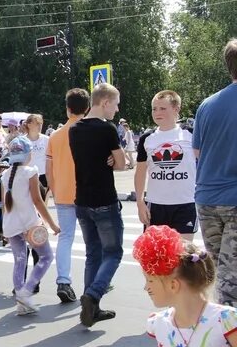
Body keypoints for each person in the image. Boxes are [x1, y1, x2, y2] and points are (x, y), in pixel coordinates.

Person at [69, 83, 126, 327]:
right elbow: (122, 164)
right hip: (104, 200)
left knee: (93, 253)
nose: (116, 108)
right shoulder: (107, 129)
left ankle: (91, 310)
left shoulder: (75, 129)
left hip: (82, 201)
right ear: (104, 102)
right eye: (115, 103)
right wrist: (114, 158)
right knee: (113, 253)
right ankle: (93, 296)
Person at [193, 39, 237, 306]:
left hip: (207, 198)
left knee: (223, 273)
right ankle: (228, 338)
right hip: (234, 201)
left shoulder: (207, 105)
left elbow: (197, 152)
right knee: (232, 278)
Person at [2, 137, 59, 315]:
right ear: (28, 154)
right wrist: (52, 224)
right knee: (46, 257)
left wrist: (5, 229)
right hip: (29, 223)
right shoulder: (30, 171)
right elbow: (38, 201)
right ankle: (26, 292)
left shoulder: (5, 175)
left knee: (19, 261)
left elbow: (4, 204)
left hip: (11, 224)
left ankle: (21, 301)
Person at [46, 88, 90, 304]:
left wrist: (55, 191)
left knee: (65, 238)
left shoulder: (55, 136)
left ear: (67, 108)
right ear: (88, 108)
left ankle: (63, 281)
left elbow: (48, 169)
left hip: (63, 194)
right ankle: (97, 281)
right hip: (88, 193)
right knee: (94, 239)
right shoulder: (90, 131)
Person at [135, 90, 197, 241]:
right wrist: (140, 203)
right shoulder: (147, 138)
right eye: (154, 109)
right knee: (156, 258)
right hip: (156, 206)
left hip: (185, 204)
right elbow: (140, 172)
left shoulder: (191, 134)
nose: (157, 112)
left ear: (176, 109)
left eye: (163, 108)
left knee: (182, 256)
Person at [23, 114, 49, 189]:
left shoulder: (47, 139)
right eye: (37, 123)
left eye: (41, 123)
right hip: (27, 176)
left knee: (43, 200)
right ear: (29, 125)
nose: (40, 126)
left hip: (43, 175)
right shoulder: (22, 141)